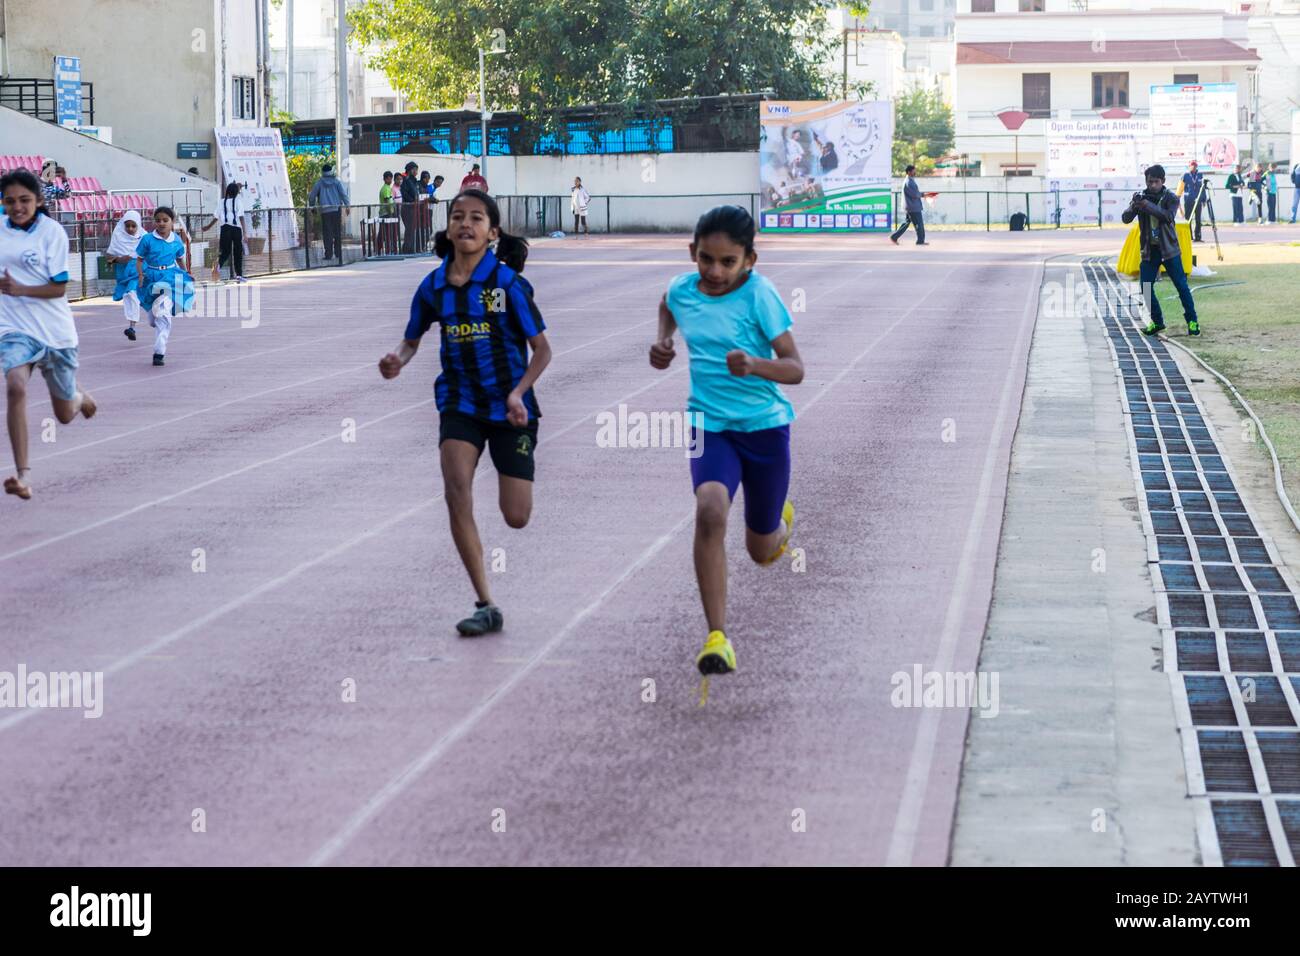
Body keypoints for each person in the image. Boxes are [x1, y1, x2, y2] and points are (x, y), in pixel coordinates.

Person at [378, 189, 551, 636]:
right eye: (458, 217)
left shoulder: (508, 285)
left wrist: (519, 394)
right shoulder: (433, 287)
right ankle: (485, 602)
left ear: (492, 232)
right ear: (449, 227)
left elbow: (543, 351)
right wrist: (398, 358)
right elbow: (412, 339)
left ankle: (515, 459)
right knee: (456, 489)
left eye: (476, 218)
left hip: (511, 407)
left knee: (517, 516)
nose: (465, 224)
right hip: (460, 402)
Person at [650, 205, 804, 676]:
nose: (715, 272)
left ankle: (778, 524)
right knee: (710, 509)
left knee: (761, 552)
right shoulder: (682, 289)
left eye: (728, 262)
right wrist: (663, 343)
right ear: (692, 252)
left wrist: (756, 365)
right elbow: (666, 305)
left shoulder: (761, 297)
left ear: (749, 260)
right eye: (706, 259)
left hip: (764, 429)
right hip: (708, 425)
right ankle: (717, 636)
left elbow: (796, 368)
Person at [0, 168, 97, 500]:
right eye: (10, 201)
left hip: (54, 331)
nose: (17, 207)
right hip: (14, 329)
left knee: (65, 415)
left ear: (39, 200)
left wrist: (20, 288)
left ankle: (78, 396)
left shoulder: (52, 233)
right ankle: (23, 476)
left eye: (25, 200)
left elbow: (57, 288)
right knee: (14, 387)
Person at [1122, 164, 1199, 338]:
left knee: (1181, 286)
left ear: (1163, 181)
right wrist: (1134, 205)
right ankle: (1157, 321)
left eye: (1156, 182)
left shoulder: (1171, 198)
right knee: (1145, 286)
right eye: (1149, 182)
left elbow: (1167, 217)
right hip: (1150, 250)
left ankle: (1192, 321)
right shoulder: (1142, 197)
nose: (1152, 185)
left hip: (1169, 250)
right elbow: (1126, 219)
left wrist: (1146, 205)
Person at [135, 206, 195, 367]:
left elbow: (180, 259)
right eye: (158, 220)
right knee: (154, 317)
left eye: (165, 220)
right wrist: (141, 275)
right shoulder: (147, 239)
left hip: (170, 278)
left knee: (163, 312)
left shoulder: (176, 239)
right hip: (151, 277)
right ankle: (154, 316)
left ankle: (159, 352)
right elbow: (139, 259)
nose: (161, 223)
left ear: (172, 222)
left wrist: (187, 273)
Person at [105, 210, 144, 340]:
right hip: (123, 273)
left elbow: (151, 253)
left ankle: (132, 326)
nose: (130, 229)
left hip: (138, 272)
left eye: (134, 226)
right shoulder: (118, 236)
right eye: (127, 226)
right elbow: (110, 257)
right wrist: (121, 259)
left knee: (131, 293)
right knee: (128, 295)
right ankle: (132, 324)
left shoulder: (144, 237)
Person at [308, 162, 350, 260]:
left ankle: (328, 254)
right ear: (331, 172)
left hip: (325, 211)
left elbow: (312, 196)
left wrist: (312, 207)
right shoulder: (336, 182)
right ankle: (338, 253)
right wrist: (347, 205)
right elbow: (343, 194)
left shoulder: (319, 183)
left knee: (327, 234)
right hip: (336, 210)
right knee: (337, 232)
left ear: (322, 172)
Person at [210, 182, 248, 283]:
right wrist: (245, 233)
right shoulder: (238, 201)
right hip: (236, 229)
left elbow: (216, 217)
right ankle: (239, 275)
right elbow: (241, 217)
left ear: (227, 192)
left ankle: (217, 267)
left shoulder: (222, 202)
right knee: (237, 252)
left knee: (225, 252)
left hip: (225, 229)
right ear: (237, 192)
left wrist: (208, 226)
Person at [890, 165, 927, 245]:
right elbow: (915, 194)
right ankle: (920, 241)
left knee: (906, 223)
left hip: (911, 206)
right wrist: (924, 195)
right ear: (909, 172)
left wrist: (923, 194)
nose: (915, 172)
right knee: (919, 224)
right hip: (913, 207)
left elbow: (915, 194)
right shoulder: (909, 182)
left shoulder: (910, 180)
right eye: (914, 171)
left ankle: (894, 237)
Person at [1180, 160, 1206, 242]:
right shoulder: (1185, 175)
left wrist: (1204, 199)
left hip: (1198, 200)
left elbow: (1203, 188)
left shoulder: (1200, 175)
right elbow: (1180, 188)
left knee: (1198, 219)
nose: (1193, 167)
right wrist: (1177, 198)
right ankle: (1189, 237)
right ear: (1189, 166)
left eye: (1195, 166)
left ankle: (1198, 237)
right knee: (1188, 219)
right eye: (1192, 165)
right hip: (1188, 201)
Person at [399, 161, 420, 253]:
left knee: (412, 229)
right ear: (410, 170)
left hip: (413, 207)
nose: (416, 172)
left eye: (417, 170)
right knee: (409, 229)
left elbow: (415, 192)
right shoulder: (404, 180)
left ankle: (411, 248)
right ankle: (406, 249)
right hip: (407, 207)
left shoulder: (414, 180)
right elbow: (404, 193)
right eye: (414, 170)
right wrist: (412, 201)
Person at [378, 171, 396, 254]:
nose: (391, 180)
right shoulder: (385, 188)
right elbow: (387, 201)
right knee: (385, 232)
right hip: (386, 213)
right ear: (385, 179)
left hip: (387, 212)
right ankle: (381, 248)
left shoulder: (388, 187)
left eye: (391, 178)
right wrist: (390, 212)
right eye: (389, 178)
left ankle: (382, 248)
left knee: (384, 232)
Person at [1291, 160, 1300, 224]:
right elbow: (1292, 174)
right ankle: (1293, 219)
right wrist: (1293, 181)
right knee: (1294, 205)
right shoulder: (1296, 166)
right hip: (1297, 188)